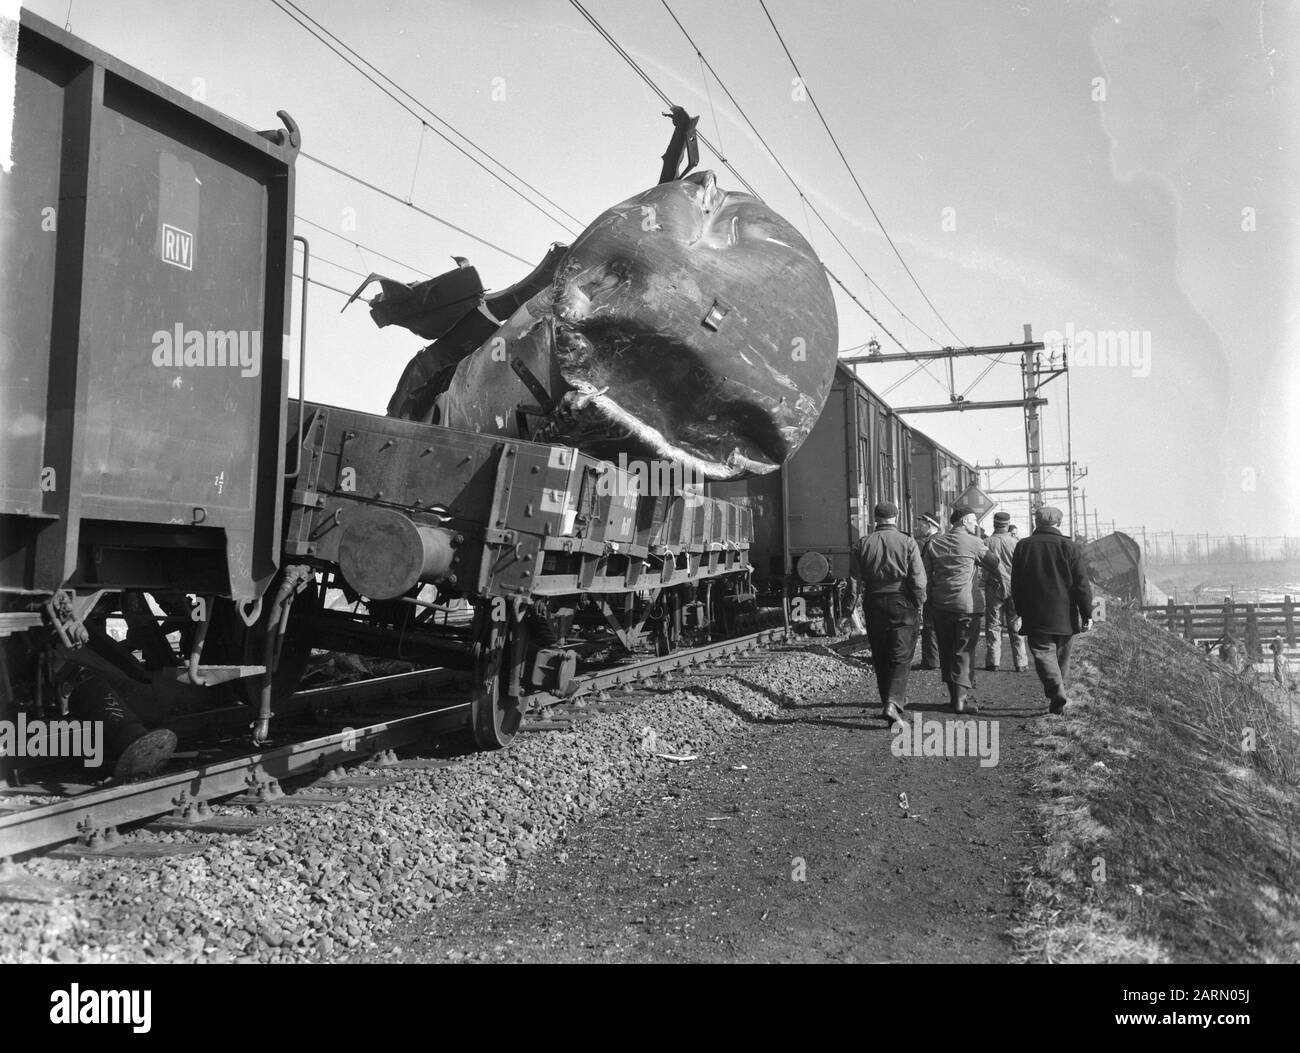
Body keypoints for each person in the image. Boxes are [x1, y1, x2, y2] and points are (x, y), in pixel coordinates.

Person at [1010, 506, 1093, 714]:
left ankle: (1057, 693)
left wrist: (1019, 610)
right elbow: (1081, 584)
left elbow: (1016, 583)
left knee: (1043, 654)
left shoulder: (1023, 546)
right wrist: (1087, 613)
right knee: (1063, 656)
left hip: (1035, 611)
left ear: (1036, 522)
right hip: (1065, 613)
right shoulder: (1070, 547)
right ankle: (1060, 694)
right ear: (1058, 523)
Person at [851, 501, 927, 725]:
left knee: (880, 653)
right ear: (897, 516)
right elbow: (918, 578)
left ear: (875, 518)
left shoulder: (862, 543)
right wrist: (920, 602)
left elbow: (854, 581)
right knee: (901, 655)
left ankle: (888, 702)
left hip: (873, 602)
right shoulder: (907, 541)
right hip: (902, 602)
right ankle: (893, 703)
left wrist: (849, 609)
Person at [922, 506, 1001, 713]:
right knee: (964, 651)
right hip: (967, 606)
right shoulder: (974, 542)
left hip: (940, 605)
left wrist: (929, 600)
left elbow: (925, 576)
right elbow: (994, 563)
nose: (976, 524)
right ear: (964, 521)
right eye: (973, 520)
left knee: (947, 651)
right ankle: (960, 701)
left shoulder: (934, 543)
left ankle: (953, 698)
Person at [983, 511, 1028, 672]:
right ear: (1008, 525)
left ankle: (993, 661)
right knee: (1015, 624)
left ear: (994, 525)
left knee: (993, 624)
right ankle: (1020, 662)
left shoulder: (986, 542)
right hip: (1014, 588)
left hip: (993, 587)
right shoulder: (1016, 543)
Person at [912, 514, 942, 670]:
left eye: (922, 524)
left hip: (932, 588)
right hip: (940, 588)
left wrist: (922, 590)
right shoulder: (939, 540)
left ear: (931, 525)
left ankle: (931, 661)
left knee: (930, 626)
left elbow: (926, 570)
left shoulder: (932, 542)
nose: (920, 527)